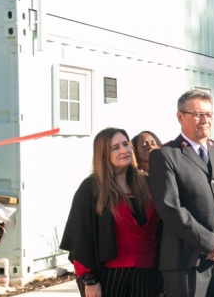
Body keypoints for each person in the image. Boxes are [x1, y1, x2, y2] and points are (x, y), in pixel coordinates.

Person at [148, 90, 214, 296]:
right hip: (186, 261)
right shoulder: (165, 155)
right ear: (180, 117)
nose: (205, 120)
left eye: (209, 114)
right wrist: (211, 243)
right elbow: (170, 209)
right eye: (197, 114)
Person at [60, 127, 161, 297]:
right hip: (110, 276)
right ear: (103, 154)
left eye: (126, 144)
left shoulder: (148, 183)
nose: (124, 150)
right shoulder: (92, 187)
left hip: (149, 274)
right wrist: (89, 279)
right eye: (115, 148)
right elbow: (80, 237)